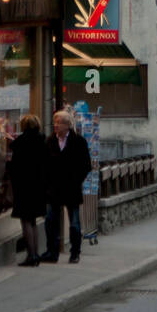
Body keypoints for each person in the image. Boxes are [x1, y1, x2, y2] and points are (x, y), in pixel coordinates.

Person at [40, 109, 92, 264]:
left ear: (67, 125)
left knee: (74, 222)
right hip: (53, 189)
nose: (55, 125)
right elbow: (44, 163)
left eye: (59, 123)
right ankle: (52, 251)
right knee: (50, 220)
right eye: (54, 122)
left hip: (71, 187)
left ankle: (75, 252)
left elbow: (86, 165)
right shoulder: (50, 141)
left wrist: (76, 180)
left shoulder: (78, 141)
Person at [8, 113, 48, 267]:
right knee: (33, 221)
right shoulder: (42, 141)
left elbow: (15, 166)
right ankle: (36, 253)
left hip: (24, 187)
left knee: (25, 221)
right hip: (38, 187)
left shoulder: (22, 143)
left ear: (24, 126)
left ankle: (31, 255)